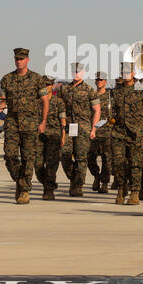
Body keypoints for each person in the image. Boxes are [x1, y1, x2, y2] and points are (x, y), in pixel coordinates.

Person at [0, 47, 52, 204]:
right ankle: (20, 181)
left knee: (29, 158)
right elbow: (3, 100)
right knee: (9, 154)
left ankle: (24, 191)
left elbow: (45, 101)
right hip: (12, 123)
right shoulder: (6, 79)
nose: (19, 61)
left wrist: (43, 122)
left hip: (31, 124)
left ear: (27, 60)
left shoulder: (37, 79)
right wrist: (0, 106)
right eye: (17, 59)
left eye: (22, 59)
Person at [109, 61, 143, 205]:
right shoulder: (116, 91)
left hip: (136, 132)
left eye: (129, 72)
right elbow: (112, 110)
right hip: (119, 132)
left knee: (136, 163)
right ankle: (122, 189)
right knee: (118, 162)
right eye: (124, 72)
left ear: (134, 73)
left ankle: (135, 192)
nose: (126, 74)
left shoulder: (142, 89)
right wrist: (111, 119)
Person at [60, 63, 100, 197]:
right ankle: (73, 178)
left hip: (84, 128)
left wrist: (94, 128)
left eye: (77, 71)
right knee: (64, 154)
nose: (75, 73)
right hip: (69, 128)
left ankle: (78, 185)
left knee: (81, 157)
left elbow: (97, 110)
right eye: (73, 71)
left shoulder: (89, 90)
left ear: (83, 73)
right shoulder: (65, 90)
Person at [36, 79, 67, 200]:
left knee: (51, 164)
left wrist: (63, 136)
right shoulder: (37, 102)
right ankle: (49, 184)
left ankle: (48, 190)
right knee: (37, 165)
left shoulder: (58, 102)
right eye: (43, 85)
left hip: (54, 135)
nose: (46, 87)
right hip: (39, 135)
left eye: (48, 85)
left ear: (51, 86)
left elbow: (63, 121)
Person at [88, 71, 113, 192]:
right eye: (97, 80)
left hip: (107, 131)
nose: (99, 82)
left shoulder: (110, 97)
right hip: (93, 131)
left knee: (106, 158)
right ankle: (96, 176)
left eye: (101, 80)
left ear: (105, 82)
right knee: (90, 157)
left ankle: (104, 182)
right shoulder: (91, 95)